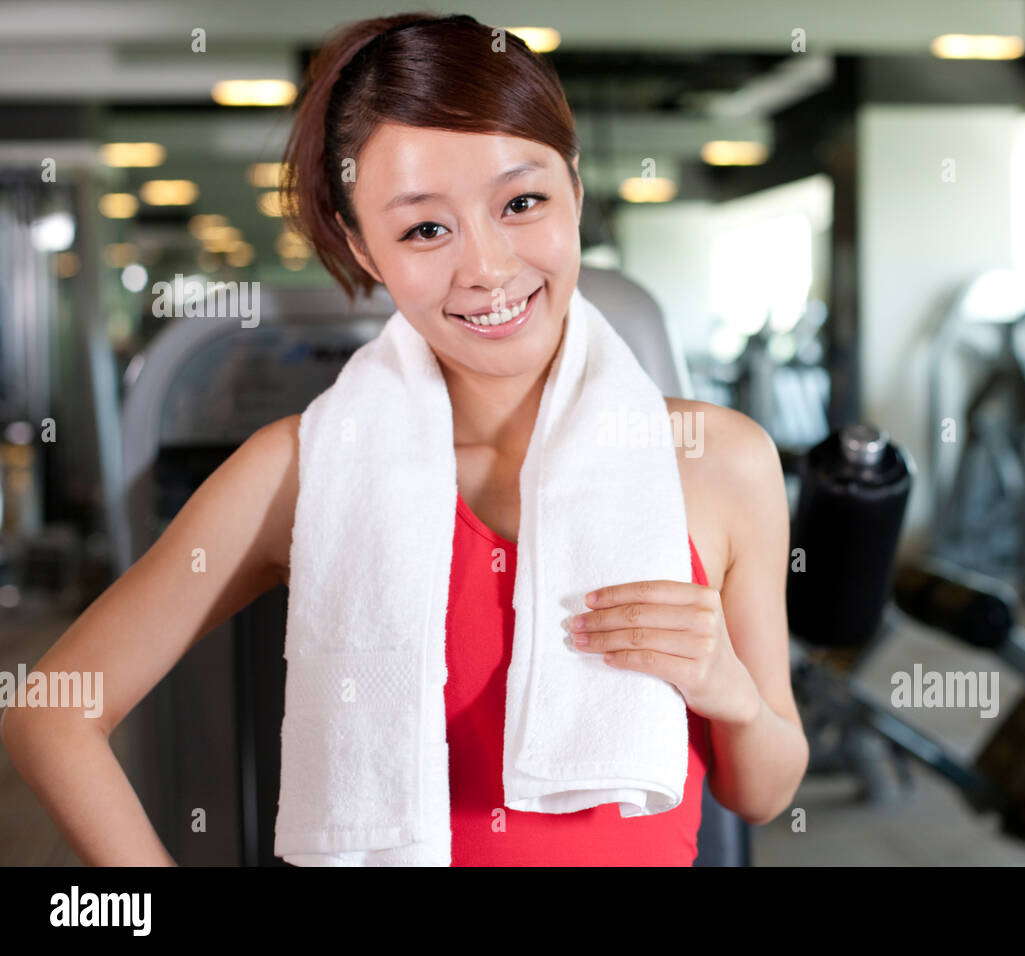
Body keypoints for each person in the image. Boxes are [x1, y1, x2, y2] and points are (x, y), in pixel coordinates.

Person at [1, 11, 807, 866]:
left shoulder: (719, 463)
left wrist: (733, 694)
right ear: (363, 246)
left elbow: (762, 793)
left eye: (522, 201)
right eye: (425, 228)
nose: (487, 267)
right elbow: (52, 709)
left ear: (575, 187)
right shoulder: (300, 471)